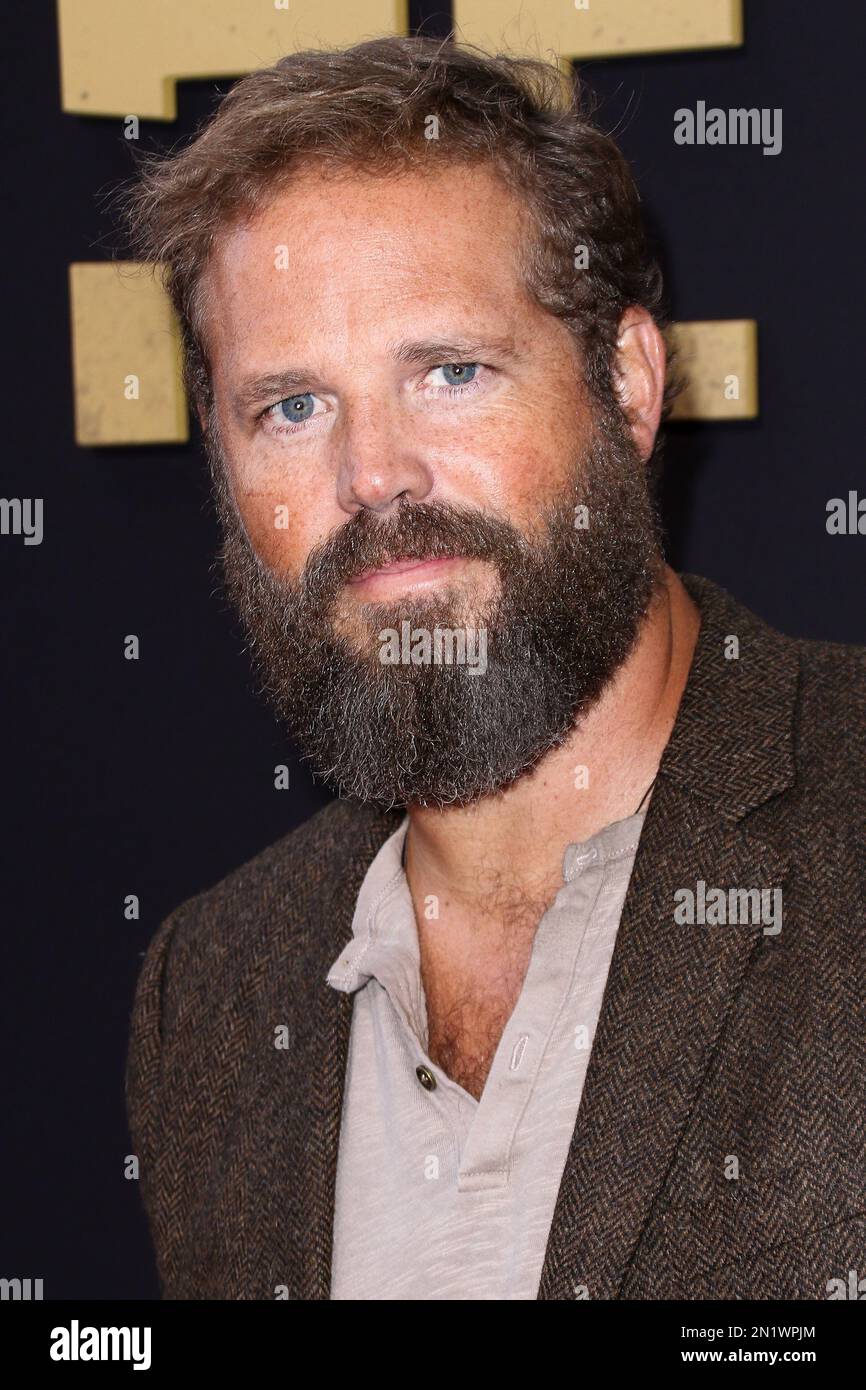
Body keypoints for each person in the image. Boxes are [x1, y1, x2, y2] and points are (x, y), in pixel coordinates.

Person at [122, 35, 866, 1300]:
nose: (373, 477)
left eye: (450, 373)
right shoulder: (213, 993)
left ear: (626, 387)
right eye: (290, 408)